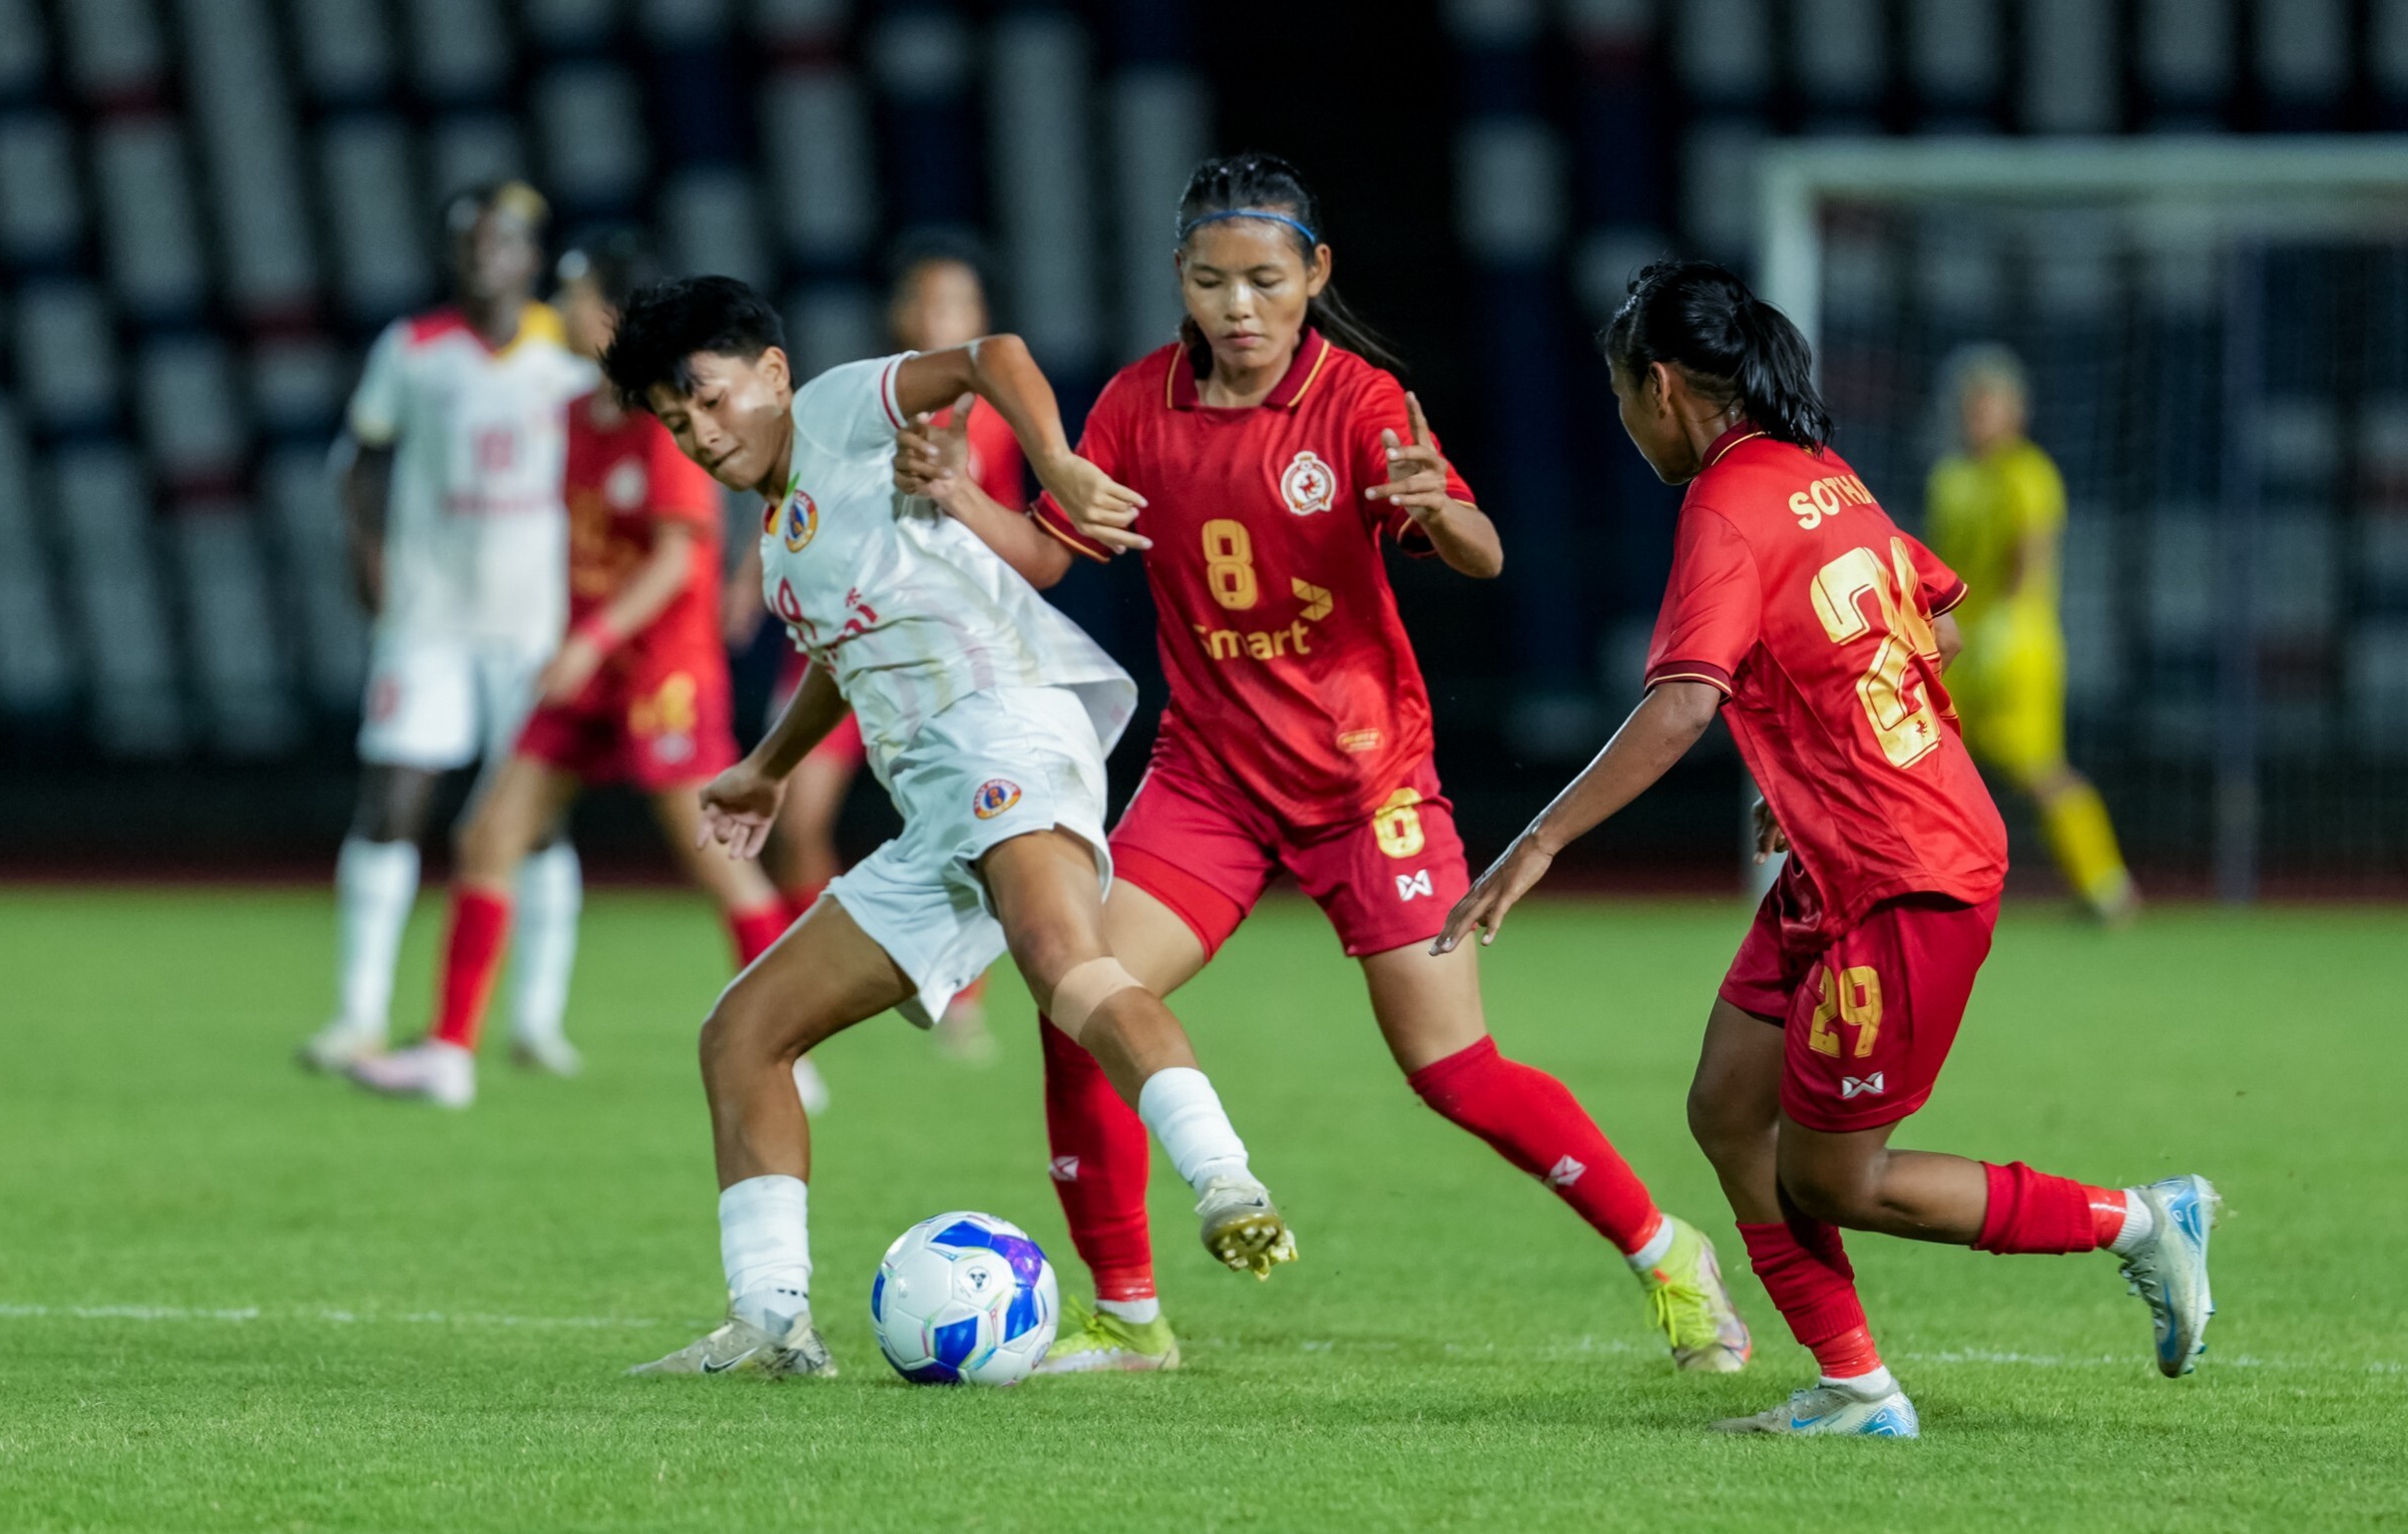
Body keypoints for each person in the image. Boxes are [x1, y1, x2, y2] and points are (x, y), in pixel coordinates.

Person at [894, 153, 1749, 1378]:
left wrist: (1437, 508)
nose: (1237, 307)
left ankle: (1665, 1251)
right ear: (1179, 279)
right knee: (1080, 1001)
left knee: (1451, 1070)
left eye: (1263, 280)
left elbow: (1483, 554)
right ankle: (1129, 1317)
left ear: (1314, 275)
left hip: (1366, 787)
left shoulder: (1359, 403)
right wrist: (954, 497)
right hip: (1208, 782)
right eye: (1209, 281)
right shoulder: (1134, 407)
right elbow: (1046, 552)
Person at [1439, 260, 2218, 1438]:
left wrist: (1535, 843)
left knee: (1833, 1177)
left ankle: (2143, 1221)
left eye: (1620, 394)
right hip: (1841, 852)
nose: (1624, 419)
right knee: (1724, 1107)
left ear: (1661, 385)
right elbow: (1935, 623)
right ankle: (1854, 1386)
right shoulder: (1818, 475)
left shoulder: (1724, 502)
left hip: (1905, 873)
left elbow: (1681, 704)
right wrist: (1811, 759)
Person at [603, 275, 1295, 1379]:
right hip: (937, 808)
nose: (700, 431)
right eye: (674, 419)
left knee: (1064, 962)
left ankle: (1225, 1179)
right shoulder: (783, 544)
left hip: (1002, 732)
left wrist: (1057, 464)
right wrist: (765, 769)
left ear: (772, 372)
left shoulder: (834, 410)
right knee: (741, 1033)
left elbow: (992, 354)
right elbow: (842, 660)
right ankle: (773, 1323)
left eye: (710, 397)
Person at [346, 232, 812, 1111]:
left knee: (716, 855)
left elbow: (678, 558)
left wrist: (590, 638)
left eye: (570, 298)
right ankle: (448, 1051)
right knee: (489, 835)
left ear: (608, 316)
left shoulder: (665, 418)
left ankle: (789, 1044)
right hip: (587, 668)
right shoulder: (569, 412)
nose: (556, 313)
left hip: (661, 671)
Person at [301, 182, 601, 1076]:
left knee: (534, 819)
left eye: (501, 241)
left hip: (536, 621)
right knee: (393, 796)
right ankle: (357, 1014)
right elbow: (362, 457)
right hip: (429, 613)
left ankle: (537, 1020)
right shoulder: (415, 347)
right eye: (469, 241)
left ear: (530, 257)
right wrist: (367, 554)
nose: (484, 257)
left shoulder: (569, 353)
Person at [723, 240, 1024, 1063]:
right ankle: (814, 983)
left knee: (969, 823)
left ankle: (961, 994)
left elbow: (1006, 535)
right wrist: (747, 578)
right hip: (837, 646)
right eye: (924, 301)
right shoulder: (856, 400)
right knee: (798, 820)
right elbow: (790, 494)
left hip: (936, 650)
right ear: (898, 313)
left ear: (979, 318)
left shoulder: (993, 423)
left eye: (954, 304)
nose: (937, 317)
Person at [1922, 345, 2138, 925]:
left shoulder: (2029, 473)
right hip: (1956, 646)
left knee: (2039, 770)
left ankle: (2107, 887)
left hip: (2016, 647)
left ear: (2016, 411)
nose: (1978, 416)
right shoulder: (1950, 478)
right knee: (1925, 762)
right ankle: (1927, 887)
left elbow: (2029, 556)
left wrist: (1999, 623)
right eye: (1971, 405)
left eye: (1989, 404)